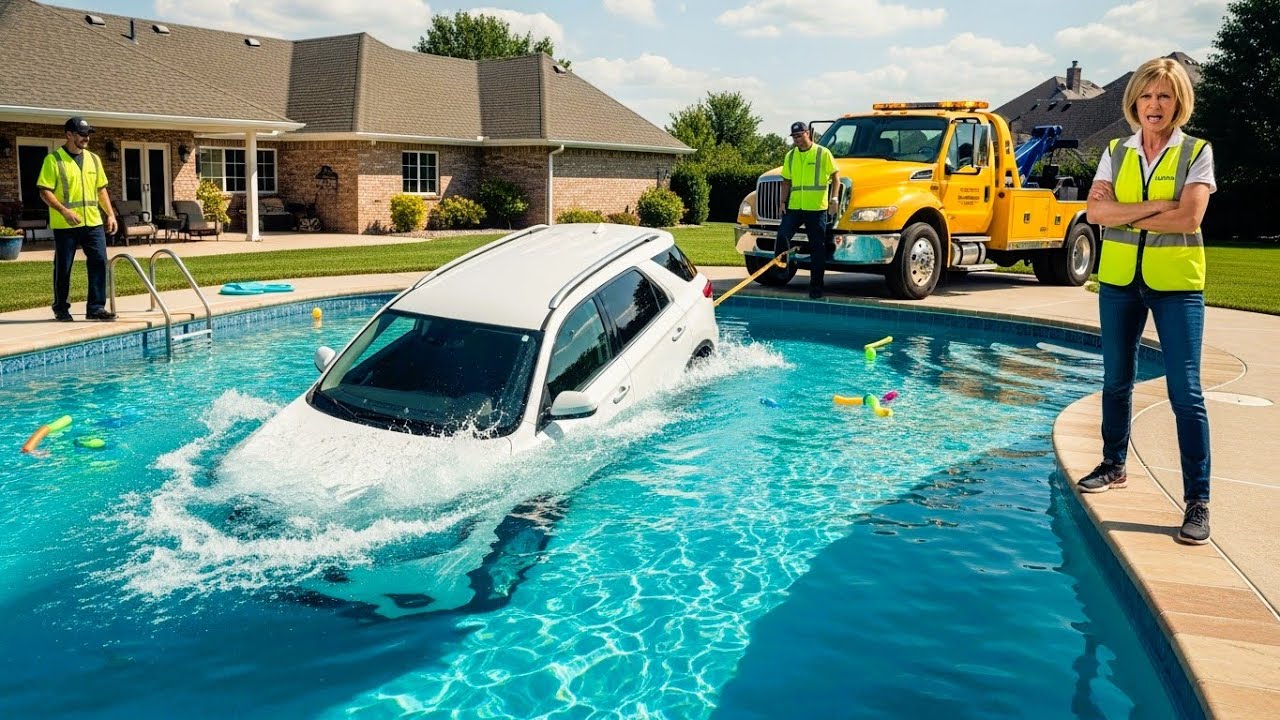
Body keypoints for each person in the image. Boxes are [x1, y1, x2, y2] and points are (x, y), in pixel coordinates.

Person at [1081, 58, 1215, 545]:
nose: (1154, 105)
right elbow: (1095, 212)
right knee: (1116, 382)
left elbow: (1188, 221)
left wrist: (1125, 214)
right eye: (1146, 95)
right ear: (1133, 101)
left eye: (1164, 96)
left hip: (1176, 284)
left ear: (1178, 102)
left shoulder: (1196, 152)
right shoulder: (1115, 151)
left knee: (1187, 394)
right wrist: (1158, 206)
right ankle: (1113, 464)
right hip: (1119, 281)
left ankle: (1197, 500)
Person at [37, 116, 118, 322]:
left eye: (88, 134)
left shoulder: (94, 159)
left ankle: (96, 308)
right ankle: (61, 308)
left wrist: (109, 214)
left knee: (99, 261)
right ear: (69, 135)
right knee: (63, 267)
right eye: (82, 134)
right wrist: (64, 211)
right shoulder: (53, 160)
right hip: (66, 224)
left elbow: (101, 189)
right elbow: (44, 192)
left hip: (93, 222)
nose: (86, 138)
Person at [778, 121, 839, 299]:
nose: (797, 140)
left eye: (799, 135)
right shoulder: (790, 156)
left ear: (808, 134)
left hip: (816, 209)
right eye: (794, 137)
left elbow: (835, 177)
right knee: (782, 235)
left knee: (817, 249)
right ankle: (782, 269)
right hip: (795, 207)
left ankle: (816, 288)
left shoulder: (822, 153)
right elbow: (786, 181)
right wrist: (782, 202)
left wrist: (834, 198)